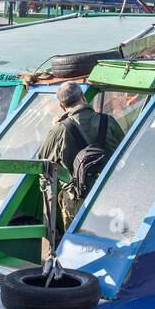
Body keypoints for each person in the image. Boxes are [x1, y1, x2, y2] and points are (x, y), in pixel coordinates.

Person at [37, 83, 123, 224]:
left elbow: (42, 165)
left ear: (61, 106)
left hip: (76, 200)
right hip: (109, 194)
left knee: (77, 244)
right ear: (83, 97)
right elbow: (126, 151)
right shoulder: (108, 121)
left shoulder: (59, 130)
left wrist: (57, 128)